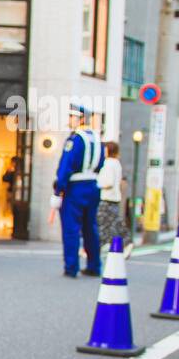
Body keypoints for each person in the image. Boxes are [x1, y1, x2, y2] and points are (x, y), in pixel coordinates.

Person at [51, 106, 104, 277]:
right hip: (93, 185)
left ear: (81, 119)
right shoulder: (97, 138)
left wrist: (59, 189)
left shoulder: (74, 139)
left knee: (71, 228)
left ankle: (71, 266)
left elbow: (66, 166)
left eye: (72, 117)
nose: (69, 121)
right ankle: (94, 265)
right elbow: (101, 163)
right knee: (91, 227)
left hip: (75, 188)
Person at [96, 140, 128, 256]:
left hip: (106, 197)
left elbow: (107, 182)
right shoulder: (116, 163)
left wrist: (97, 183)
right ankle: (124, 242)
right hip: (114, 197)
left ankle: (125, 242)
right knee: (113, 222)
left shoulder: (108, 163)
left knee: (103, 223)